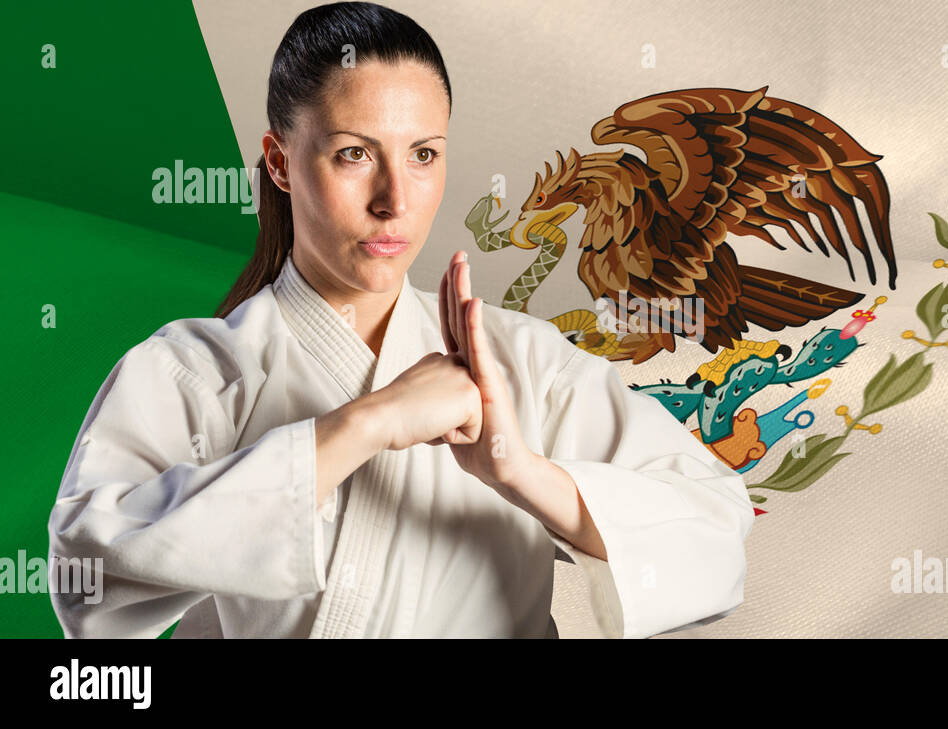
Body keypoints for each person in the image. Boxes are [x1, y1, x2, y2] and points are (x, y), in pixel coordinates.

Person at [47, 1, 753, 639]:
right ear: (280, 161)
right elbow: (87, 572)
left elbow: (718, 532)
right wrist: (367, 423)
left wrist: (519, 471)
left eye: (423, 155)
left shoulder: (521, 363)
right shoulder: (197, 370)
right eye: (353, 154)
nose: (394, 199)